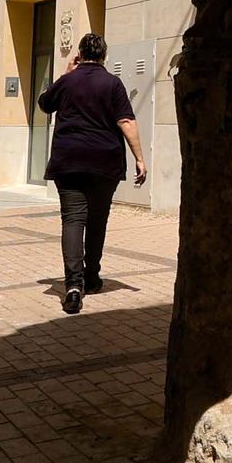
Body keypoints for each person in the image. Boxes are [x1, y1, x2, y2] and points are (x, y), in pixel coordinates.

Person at [37, 32, 147, 314]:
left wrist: (65, 73)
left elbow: (44, 103)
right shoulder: (112, 83)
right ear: (104, 56)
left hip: (68, 160)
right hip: (104, 163)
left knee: (72, 220)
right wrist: (140, 158)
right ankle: (92, 276)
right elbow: (126, 121)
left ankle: (73, 287)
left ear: (80, 54)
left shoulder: (68, 81)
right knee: (98, 219)